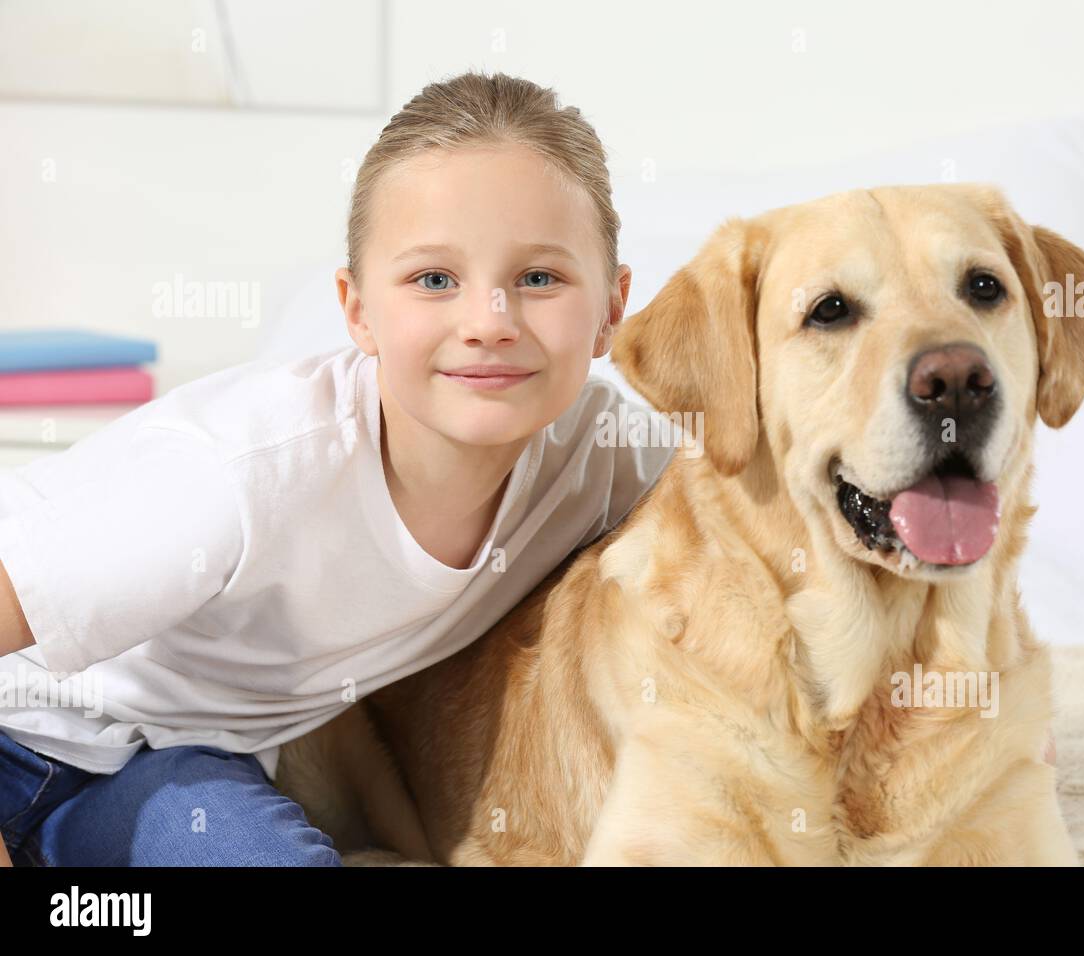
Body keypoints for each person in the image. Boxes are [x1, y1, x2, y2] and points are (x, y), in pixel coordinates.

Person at [0, 70, 676, 866]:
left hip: (162, 768)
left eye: (538, 279)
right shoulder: (240, 475)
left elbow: (770, 511)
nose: (489, 323)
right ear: (357, 310)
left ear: (612, 307)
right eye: (435, 280)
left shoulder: (613, 457)